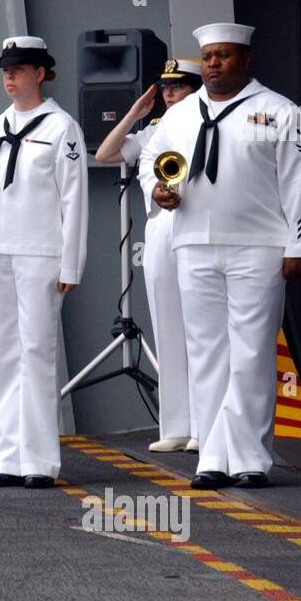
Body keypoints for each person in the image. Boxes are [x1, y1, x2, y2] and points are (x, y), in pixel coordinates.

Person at [152, 23, 301, 489]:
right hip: (193, 242)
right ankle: (211, 453)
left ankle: (249, 457)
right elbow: (157, 163)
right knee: (206, 351)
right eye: (207, 56)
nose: (212, 64)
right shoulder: (181, 115)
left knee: (251, 351)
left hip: (260, 244)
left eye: (223, 55)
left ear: (245, 60)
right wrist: (160, 191)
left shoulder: (278, 111)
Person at [0, 37, 88, 488]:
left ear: (40, 73)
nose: (10, 77)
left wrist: (70, 265)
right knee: (1, 356)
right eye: (5, 69)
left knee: (36, 352)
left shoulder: (61, 128)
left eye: (20, 68)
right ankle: (7, 457)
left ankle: (38, 460)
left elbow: (74, 201)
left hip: (39, 252)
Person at [94, 58, 202, 453]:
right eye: (165, 87)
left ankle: (204, 427)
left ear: (194, 89)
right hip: (159, 229)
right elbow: (105, 153)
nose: (169, 93)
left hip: (194, 223)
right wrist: (135, 113)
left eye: (178, 86)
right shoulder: (153, 130)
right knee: (168, 325)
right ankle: (176, 424)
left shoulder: (205, 126)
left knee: (200, 329)